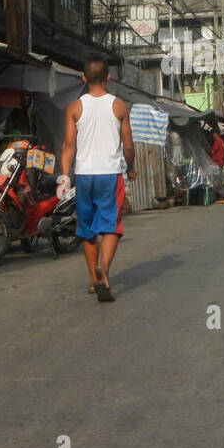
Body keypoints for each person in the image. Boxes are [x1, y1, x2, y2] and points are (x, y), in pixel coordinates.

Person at [59, 58, 135, 302]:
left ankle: (93, 278)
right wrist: (130, 167)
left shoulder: (74, 107)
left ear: (83, 78)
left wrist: (63, 176)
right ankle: (104, 269)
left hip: (83, 175)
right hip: (109, 175)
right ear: (109, 78)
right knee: (111, 225)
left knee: (87, 227)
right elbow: (128, 145)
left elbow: (68, 146)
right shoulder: (119, 106)